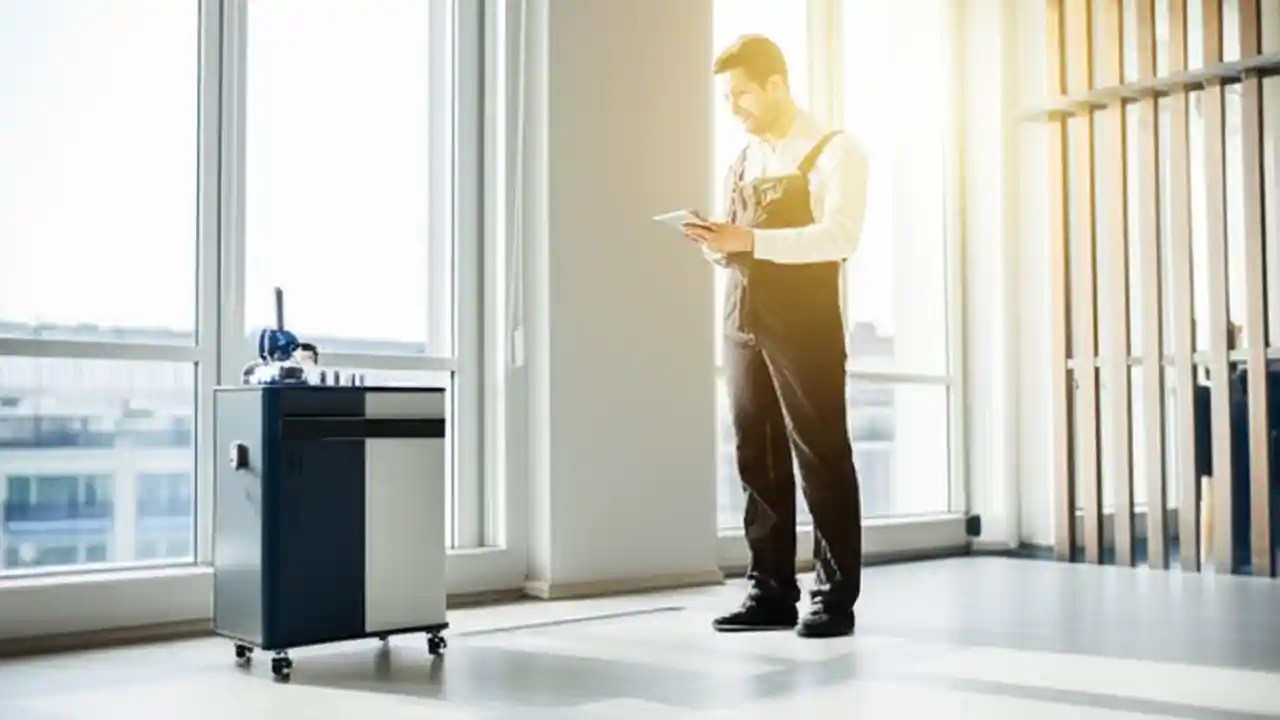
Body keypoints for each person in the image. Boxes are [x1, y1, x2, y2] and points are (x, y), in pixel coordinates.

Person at [683, 35, 868, 638]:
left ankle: (834, 597)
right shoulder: (743, 159)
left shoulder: (834, 150)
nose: (734, 106)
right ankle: (769, 592)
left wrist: (751, 242)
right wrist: (718, 245)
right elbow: (740, 242)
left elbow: (839, 237)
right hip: (742, 319)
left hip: (805, 325)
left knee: (821, 455)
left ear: (777, 84)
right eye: (728, 96)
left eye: (741, 93)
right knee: (754, 457)